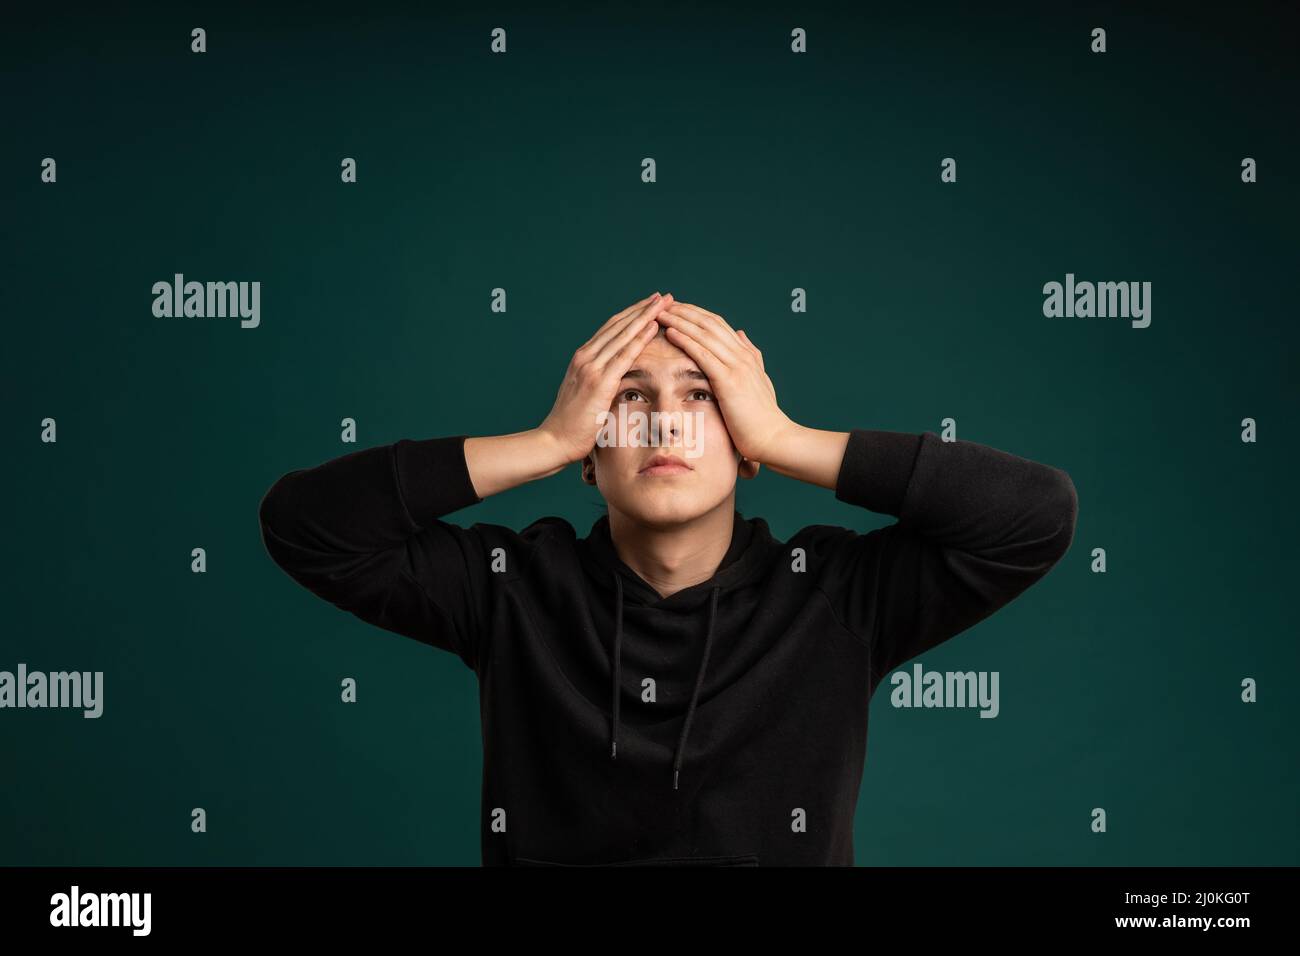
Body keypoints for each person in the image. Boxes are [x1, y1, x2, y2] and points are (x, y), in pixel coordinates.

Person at [257, 291, 1078, 866]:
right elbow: (307, 526)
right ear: (591, 448)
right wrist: (545, 442)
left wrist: (785, 436)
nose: (665, 423)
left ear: (743, 437)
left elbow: (1035, 515)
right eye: (629, 397)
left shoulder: (834, 597)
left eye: (703, 395)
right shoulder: (510, 588)